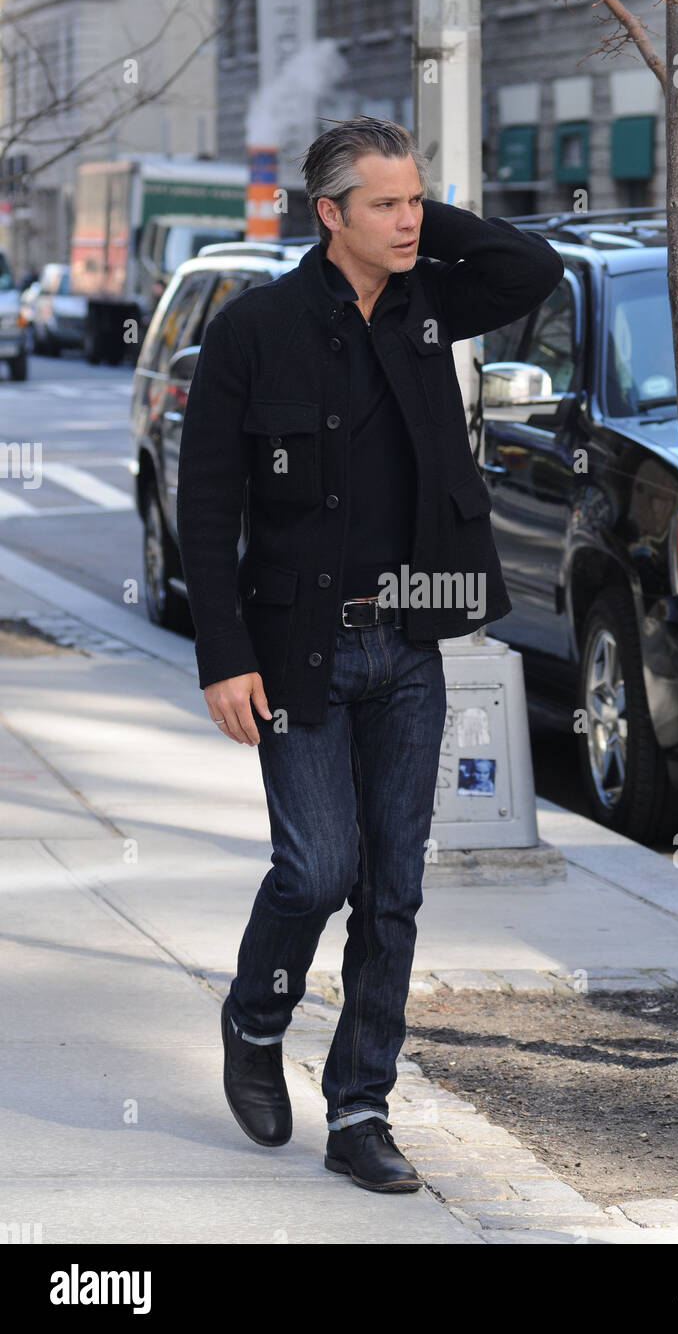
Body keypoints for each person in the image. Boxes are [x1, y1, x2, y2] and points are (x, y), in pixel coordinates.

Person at [175, 114, 564, 1193]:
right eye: (385, 204)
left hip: (412, 639)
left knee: (392, 888)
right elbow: (207, 509)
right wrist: (223, 654)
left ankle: (359, 1111)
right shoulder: (254, 331)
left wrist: (415, 213)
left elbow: (528, 265)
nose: (409, 221)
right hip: (299, 647)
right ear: (327, 214)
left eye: (416, 201)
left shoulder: (433, 307)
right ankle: (257, 1020)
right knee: (316, 869)